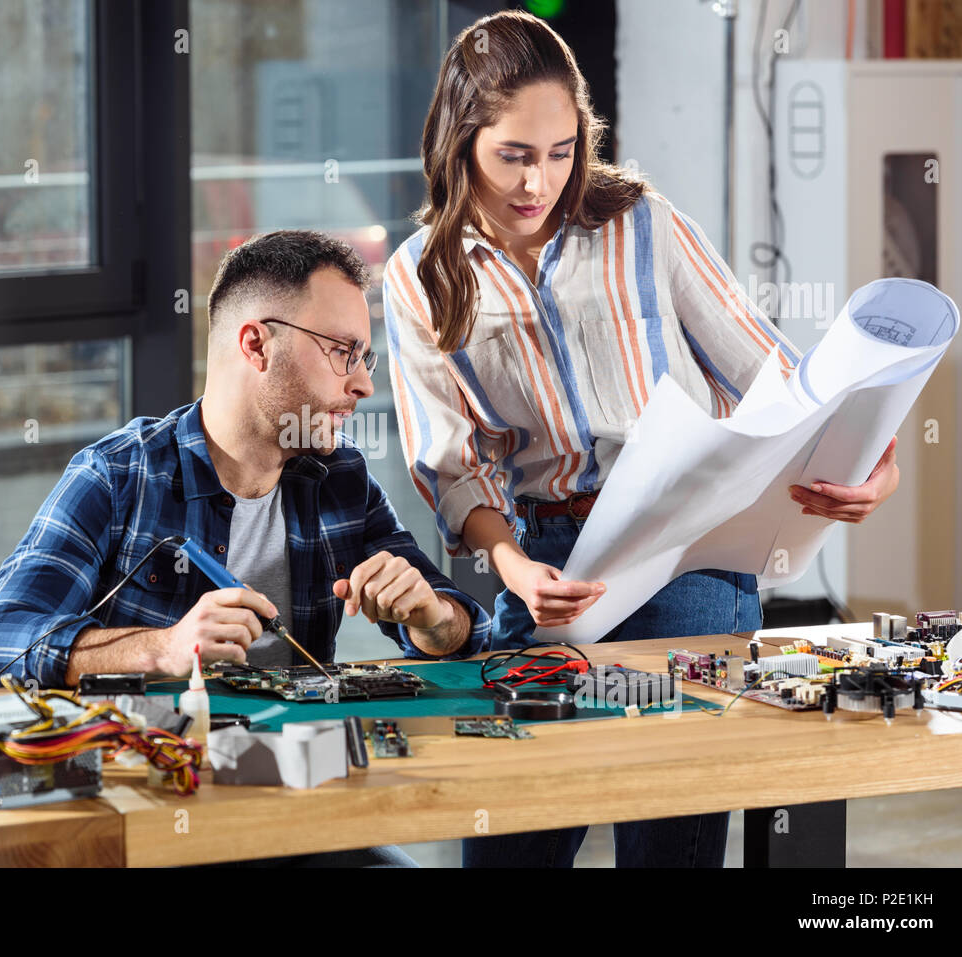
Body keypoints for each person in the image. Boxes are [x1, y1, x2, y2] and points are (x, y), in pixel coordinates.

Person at [381, 10, 900, 868]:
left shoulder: (643, 225)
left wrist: (870, 458)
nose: (537, 181)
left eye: (559, 151)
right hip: (551, 563)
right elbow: (452, 466)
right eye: (513, 153)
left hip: (687, 544)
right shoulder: (418, 279)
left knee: (668, 840)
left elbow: (772, 369)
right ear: (461, 138)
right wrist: (512, 567)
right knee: (515, 837)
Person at [0, 229, 492, 867]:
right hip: (151, 820)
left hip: (294, 809)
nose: (361, 383)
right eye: (342, 352)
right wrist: (161, 649)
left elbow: (463, 633)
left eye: (367, 358)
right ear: (256, 344)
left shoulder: (340, 478)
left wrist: (434, 617)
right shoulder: (117, 475)